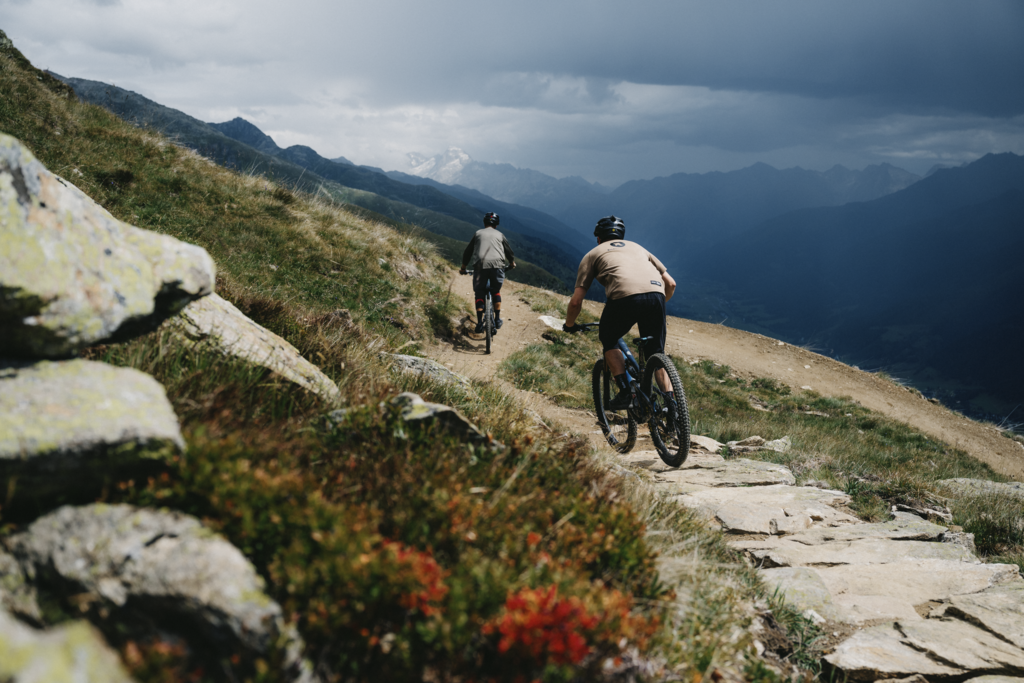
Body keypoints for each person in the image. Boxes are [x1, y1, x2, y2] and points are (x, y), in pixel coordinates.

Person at [563, 215, 677, 410]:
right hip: (657, 297)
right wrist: (654, 305)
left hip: (624, 298)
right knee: (655, 354)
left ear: (598, 238)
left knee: (609, 338)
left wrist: (569, 325)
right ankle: (672, 405)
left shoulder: (592, 254)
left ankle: (625, 391)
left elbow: (575, 302)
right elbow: (671, 283)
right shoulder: (639, 248)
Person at [460, 212, 516, 333]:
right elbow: (509, 252)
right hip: (498, 267)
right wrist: (511, 263)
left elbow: (468, 252)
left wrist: (463, 268)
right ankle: (497, 320)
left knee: (479, 293)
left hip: (480, 267)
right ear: (496, 225)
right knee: (495, 291)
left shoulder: (478, 233)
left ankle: (480, 323)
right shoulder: (500, 235)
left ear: (484, 223)